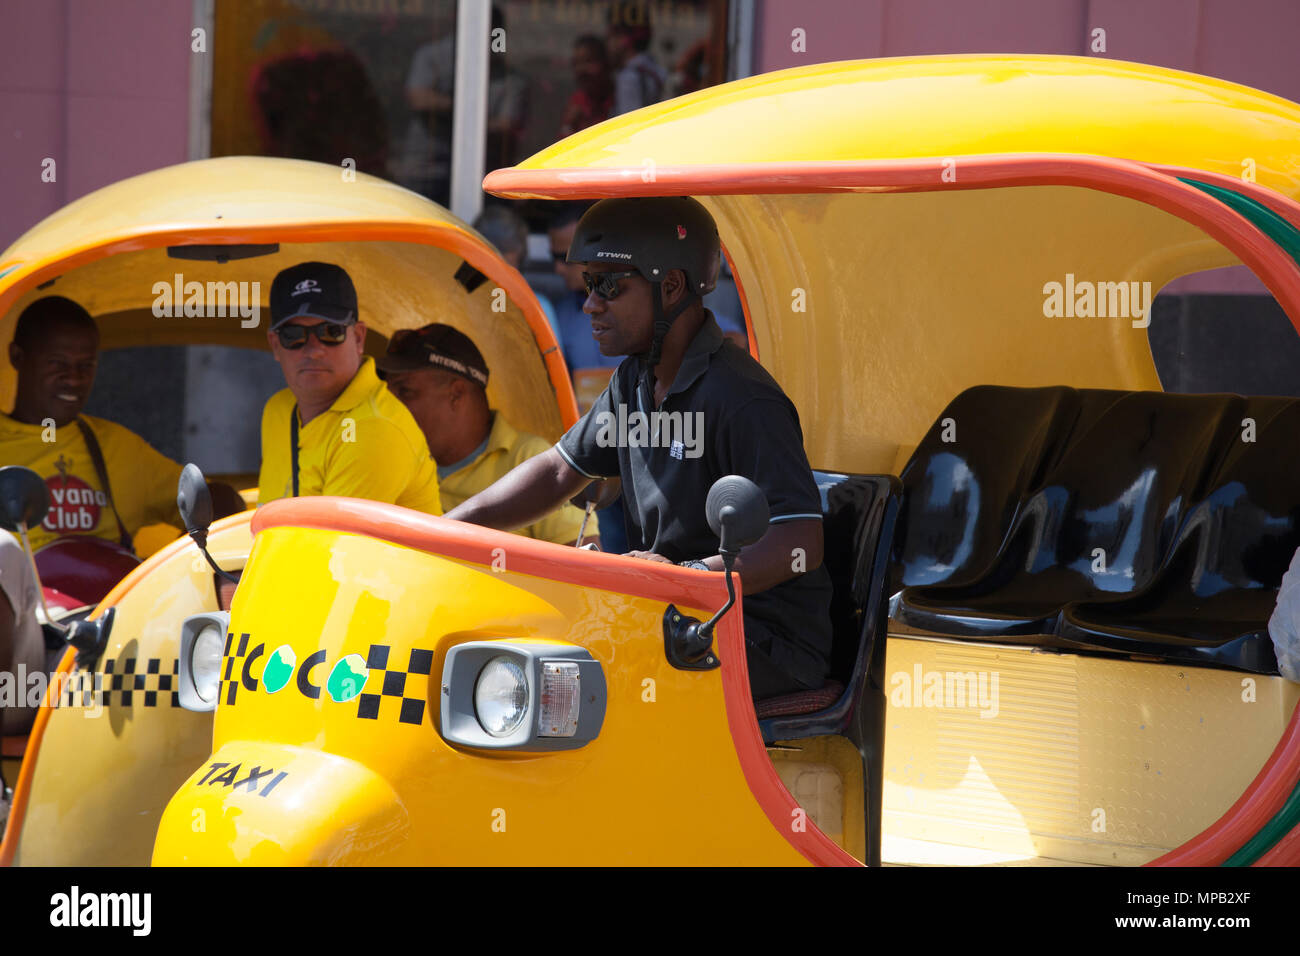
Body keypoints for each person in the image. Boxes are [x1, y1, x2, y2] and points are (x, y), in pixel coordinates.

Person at [446, 198, 834, 701]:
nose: (590, 304)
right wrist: (446, 529)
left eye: (609, 286)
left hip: (760, 638)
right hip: (671, 614)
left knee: (567, 682)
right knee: (514, 638)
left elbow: (800, 542)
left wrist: (686, 576)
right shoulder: (634, 380)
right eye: (589, 284)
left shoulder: (742, 399)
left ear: (670, 286)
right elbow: (558, 472)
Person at [1, 295, 242, 734]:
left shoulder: (115, 446)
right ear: (18, 357)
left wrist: (198, 566)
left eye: (86, 365)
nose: (73, 378)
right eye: (58, 363)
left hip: (114, 634)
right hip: (28, 648)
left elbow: (214, 496)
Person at [378, 324, 589, 546]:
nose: (389, 405)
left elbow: (583, 559)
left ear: (456, 394)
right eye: (386, 393)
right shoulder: (387, 455)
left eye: (405, 391)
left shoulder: (529, 458)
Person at [258, 262, 442, 516]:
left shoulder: (374, 428)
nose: (314, 350)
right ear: (275, 345)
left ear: (358, 338)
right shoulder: (279, 409)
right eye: (294, 335)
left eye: (330, 332)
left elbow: (329, 540)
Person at [473, 205, 558, 331]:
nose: (498, 279)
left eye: (507, 269)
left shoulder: (537, 308)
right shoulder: (460, 302)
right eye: (490, 267)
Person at [607, 5, 666, 116]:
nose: (608, 44)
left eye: (611, 36)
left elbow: (629, 121)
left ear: (624, 39)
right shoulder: (656, 68)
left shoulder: (628, 77)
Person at [560, 35, 614, 136]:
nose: (581, 69)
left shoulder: (619, 97)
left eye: (588, 61)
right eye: (576, 63)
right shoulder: (578, 101)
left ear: (605, 63)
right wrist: (570, 126)